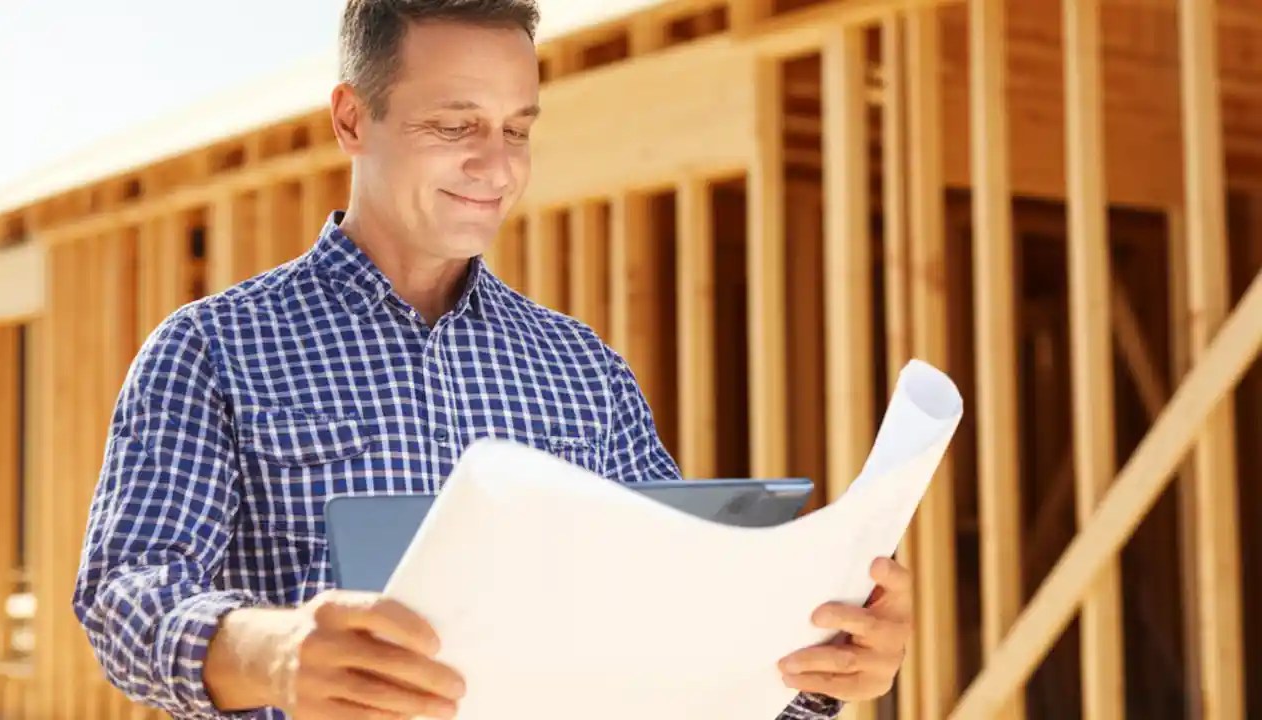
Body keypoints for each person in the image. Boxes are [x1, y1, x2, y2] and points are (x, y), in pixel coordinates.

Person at [72, 1, 914, 718]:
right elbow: (124, 595)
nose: (497, 165)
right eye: (455, 125)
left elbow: (673, 627)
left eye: (516, 128)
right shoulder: (212, 348)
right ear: (352, 118)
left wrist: (827, 664)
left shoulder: (584, 370)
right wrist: (272, 647)